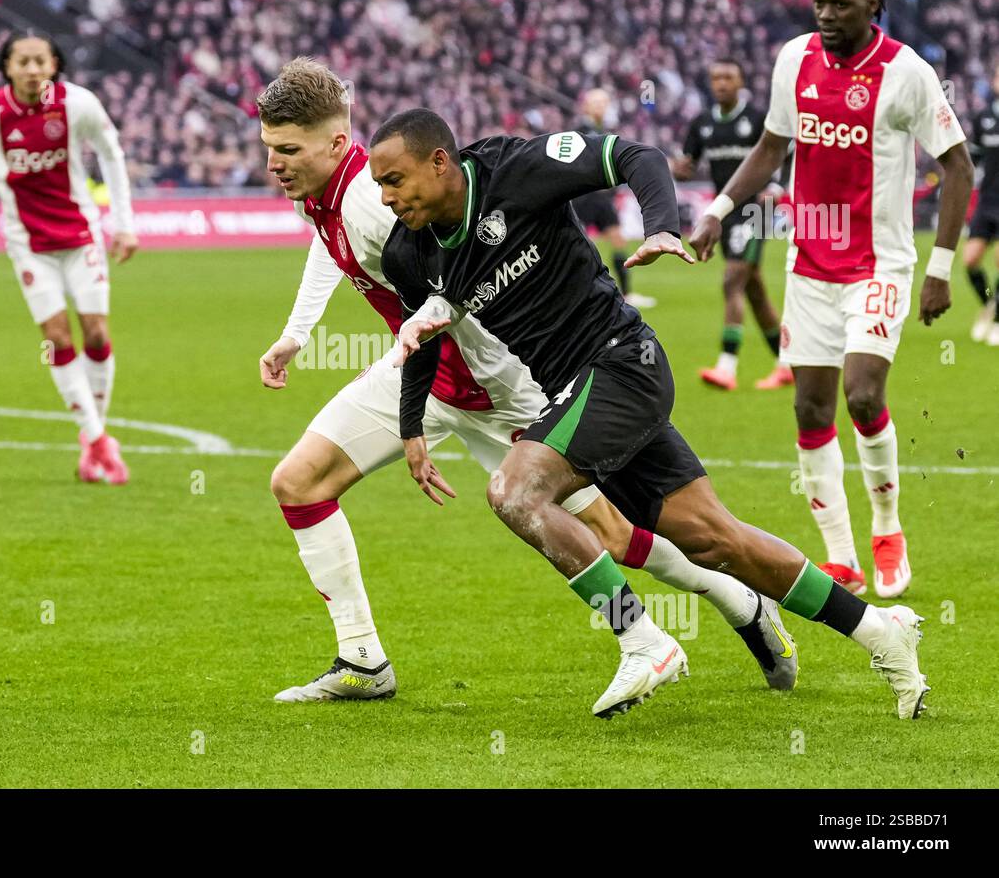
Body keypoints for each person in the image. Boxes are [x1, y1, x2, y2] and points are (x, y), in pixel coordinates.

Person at [256, 58, 793, 706]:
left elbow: (465, 297)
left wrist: (517, 402)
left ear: (337, 144)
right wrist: (298, 333)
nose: (274, 164)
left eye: (286, 150)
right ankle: (363, 659)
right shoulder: (333, 195)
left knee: (614, 536)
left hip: (501, 384)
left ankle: (735, 597)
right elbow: (329, 241)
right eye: (270, 150)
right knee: (298, 481)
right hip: (426, 380)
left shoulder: (379, 201)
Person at [371, 107, 929, 719]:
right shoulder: (409, 254)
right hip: (580, 392)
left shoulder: (518, 169)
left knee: (514, 491)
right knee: (716, 541)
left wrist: (662, 226)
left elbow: (636, 156)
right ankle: (879, 630)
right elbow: (419, 331)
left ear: (439, 161)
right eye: (378, 186)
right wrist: (412, 425)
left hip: (621, 362)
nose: (387, 197)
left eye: (394, 180)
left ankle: (641, 638)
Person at [687, 0, 974, 599]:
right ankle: (839, 558)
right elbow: (770, 147)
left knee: (864, 395)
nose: (825, 14)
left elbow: (958, 167)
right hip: (809, 265)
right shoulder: (794, 58)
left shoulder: (907, 74)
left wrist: (941, 269)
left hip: (879, 263)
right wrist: (716, 212)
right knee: (810, 406)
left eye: (840, 3)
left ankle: (887, 530)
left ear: (873, 5)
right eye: (818, 1)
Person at [0, 30, 139, 484]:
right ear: (7, 68)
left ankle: (93, 439)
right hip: (27, 242)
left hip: (80, 236)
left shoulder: (78, 104)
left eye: (42, 61)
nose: (34, 69)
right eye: (24, 62)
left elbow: (111, 155)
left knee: (96, 334)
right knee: (57, 339)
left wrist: (123, 222)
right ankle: (98, 442)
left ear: (54, 64)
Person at [674, 58, 791, 390]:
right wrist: (675, 167)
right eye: (716, 78)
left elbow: (786, 152)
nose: (721, 83)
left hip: (755, 211)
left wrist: (777, 187)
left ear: (741, 82)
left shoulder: (757, 120)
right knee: (753, 290)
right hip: (723, 214)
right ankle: (786, 365)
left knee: (732, 281)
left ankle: (727, 366)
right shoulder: (702, 124)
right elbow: (687, 164)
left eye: (728, 77)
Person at [572, 89, 656, 309]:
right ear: (586, 106)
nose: (601, 107)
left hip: (602, 198)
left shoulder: (603, 130)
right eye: (596, 102)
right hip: (585, 197)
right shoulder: (581, 131)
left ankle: (627, 293)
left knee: (618, 241)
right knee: (577, 245)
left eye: (604, 103)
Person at [964, 62, 999, 345]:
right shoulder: (983, 117)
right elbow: (971, 160)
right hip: (988, 201)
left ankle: (998, 320)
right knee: (971, 260)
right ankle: (990, 304)